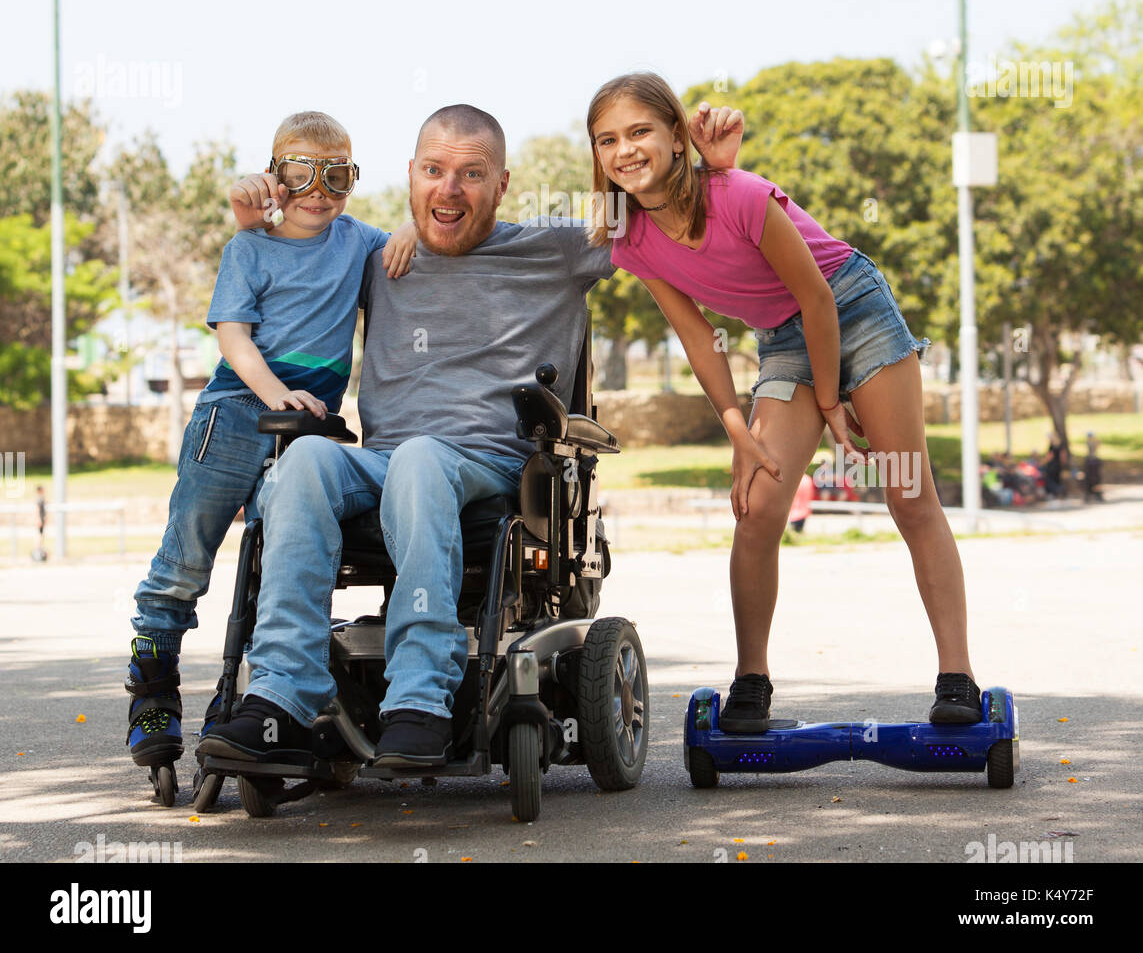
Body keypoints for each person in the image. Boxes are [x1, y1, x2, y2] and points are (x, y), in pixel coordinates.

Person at [199, 100, 743, 769]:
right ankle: (281, 693)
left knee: (422, 458)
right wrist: (254, 215)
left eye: (471, 174)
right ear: (409, 175)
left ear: (503, 185)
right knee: (307, 459)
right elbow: (293, 254)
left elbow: (670, 218)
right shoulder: (376, 254)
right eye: (433, 171)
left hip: (487, 464)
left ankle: (420, 698)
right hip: (384, 461)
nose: (448, 190)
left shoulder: (556, 249)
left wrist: (712, 170)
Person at [586, 71, 979, 730]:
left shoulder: (737, 194)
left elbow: (818, 299)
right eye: (606, 139)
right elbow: (698, 340)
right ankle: (751, 679)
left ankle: (957, 675)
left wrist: (830, 401)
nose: (623, 150)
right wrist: (737, 427)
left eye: (639, 131)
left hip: (851, 306)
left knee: (908, 494)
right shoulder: (629, 239)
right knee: (758, 507)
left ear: (676, 138)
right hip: (783, 338)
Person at [124, 111, 416, 778]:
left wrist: (408, 231)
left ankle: (241, 700)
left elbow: (416, 243)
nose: (320, 191)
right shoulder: (249, 246)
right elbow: (232, 336)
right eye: (301, 173)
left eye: (337, 176)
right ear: (274, 174)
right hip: (232, 418)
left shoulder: (357, 241)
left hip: (303, 436)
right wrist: (272, 392)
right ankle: (152, 688)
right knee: (183, 563)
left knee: (269, 567)